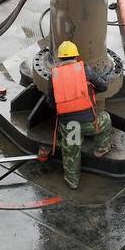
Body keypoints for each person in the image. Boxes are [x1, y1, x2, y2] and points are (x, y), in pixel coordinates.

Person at [49, 41, 111, 190]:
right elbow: (103, 86)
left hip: (70, 126)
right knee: (106, 118)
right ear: (76, 56)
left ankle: (72, 181)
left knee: (71, 151)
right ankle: (100, 149)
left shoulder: (54, 76)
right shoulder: (85, 70)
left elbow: (50, 102)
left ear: (59, 59)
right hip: (90, 124)